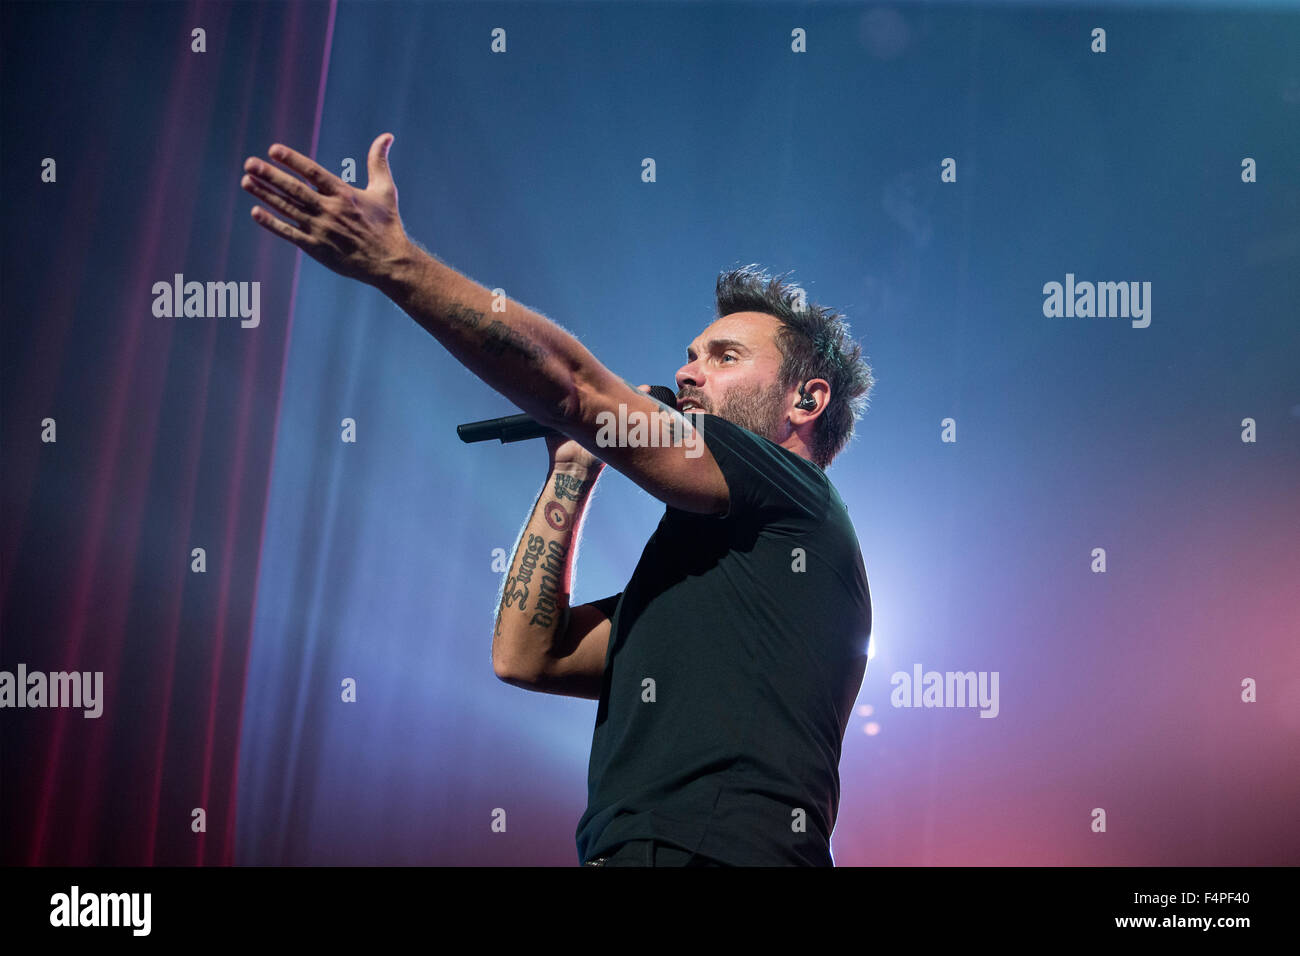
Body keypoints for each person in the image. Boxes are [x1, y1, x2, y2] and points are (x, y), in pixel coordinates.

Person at [240, 134, 875, 866]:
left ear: (807, 398)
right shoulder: (731, 577)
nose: (687, 372)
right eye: (691, 354)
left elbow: (578, 387)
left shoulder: (796, 498)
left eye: (724, 357)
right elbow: (527, 655)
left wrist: (396, 263)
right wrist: (571, 469)